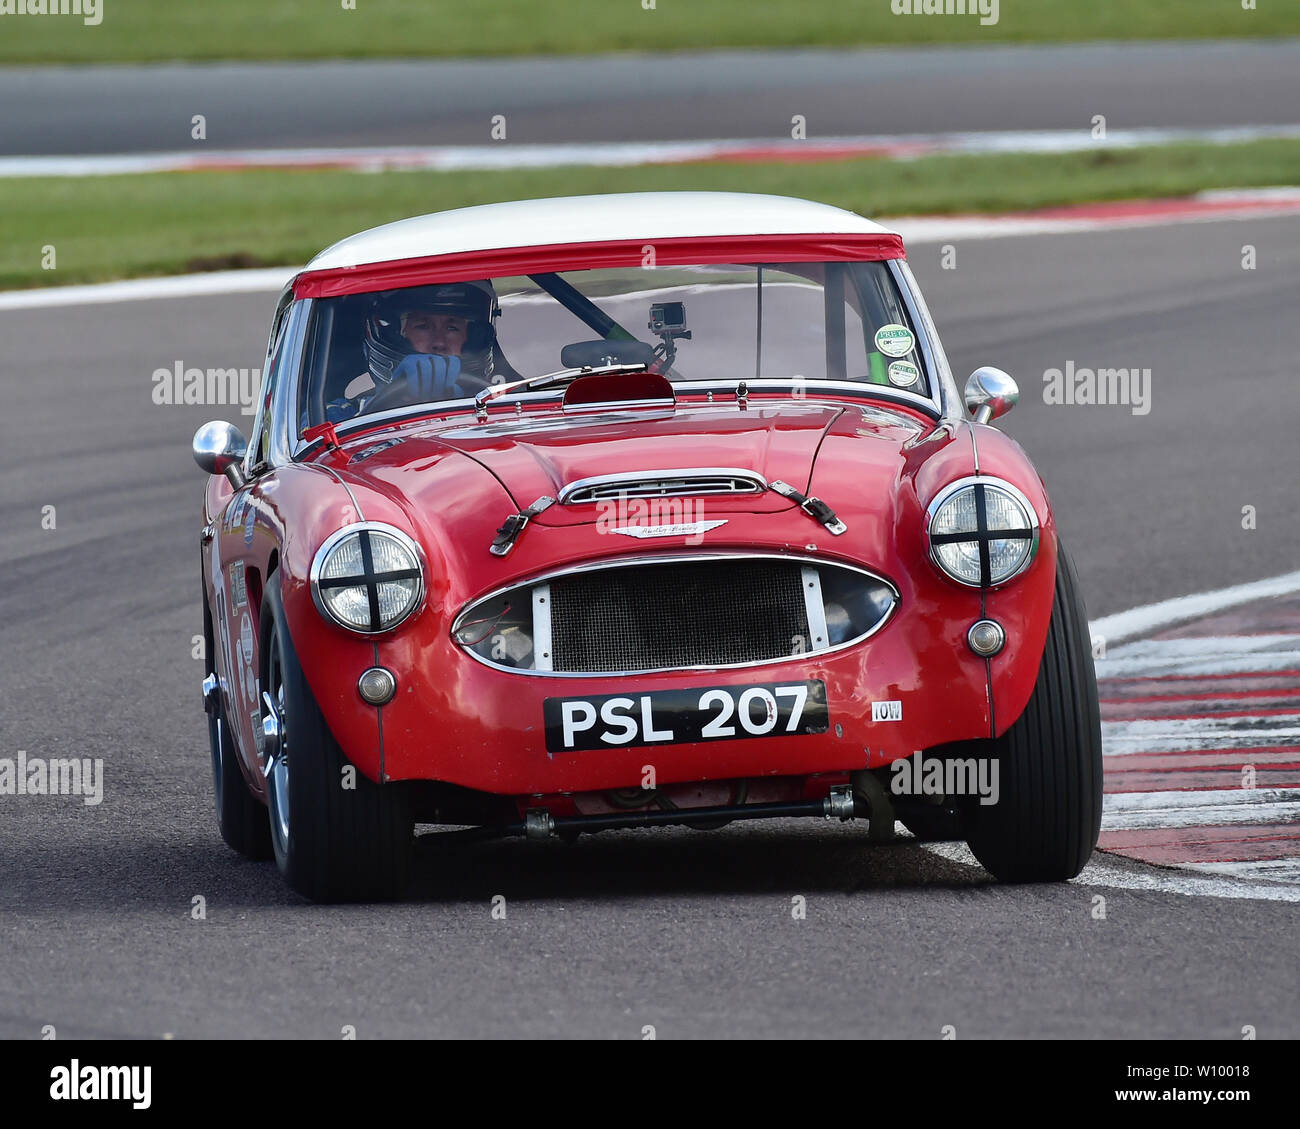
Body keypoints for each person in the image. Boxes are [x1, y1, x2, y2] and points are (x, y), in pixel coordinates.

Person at [324, 280, 501, 422]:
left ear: (472, 339)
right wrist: (390, 403)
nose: (439, 342)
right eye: (423, 326)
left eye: (452, 328)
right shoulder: (339, 416)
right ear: (393, 334)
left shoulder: (502, 411)